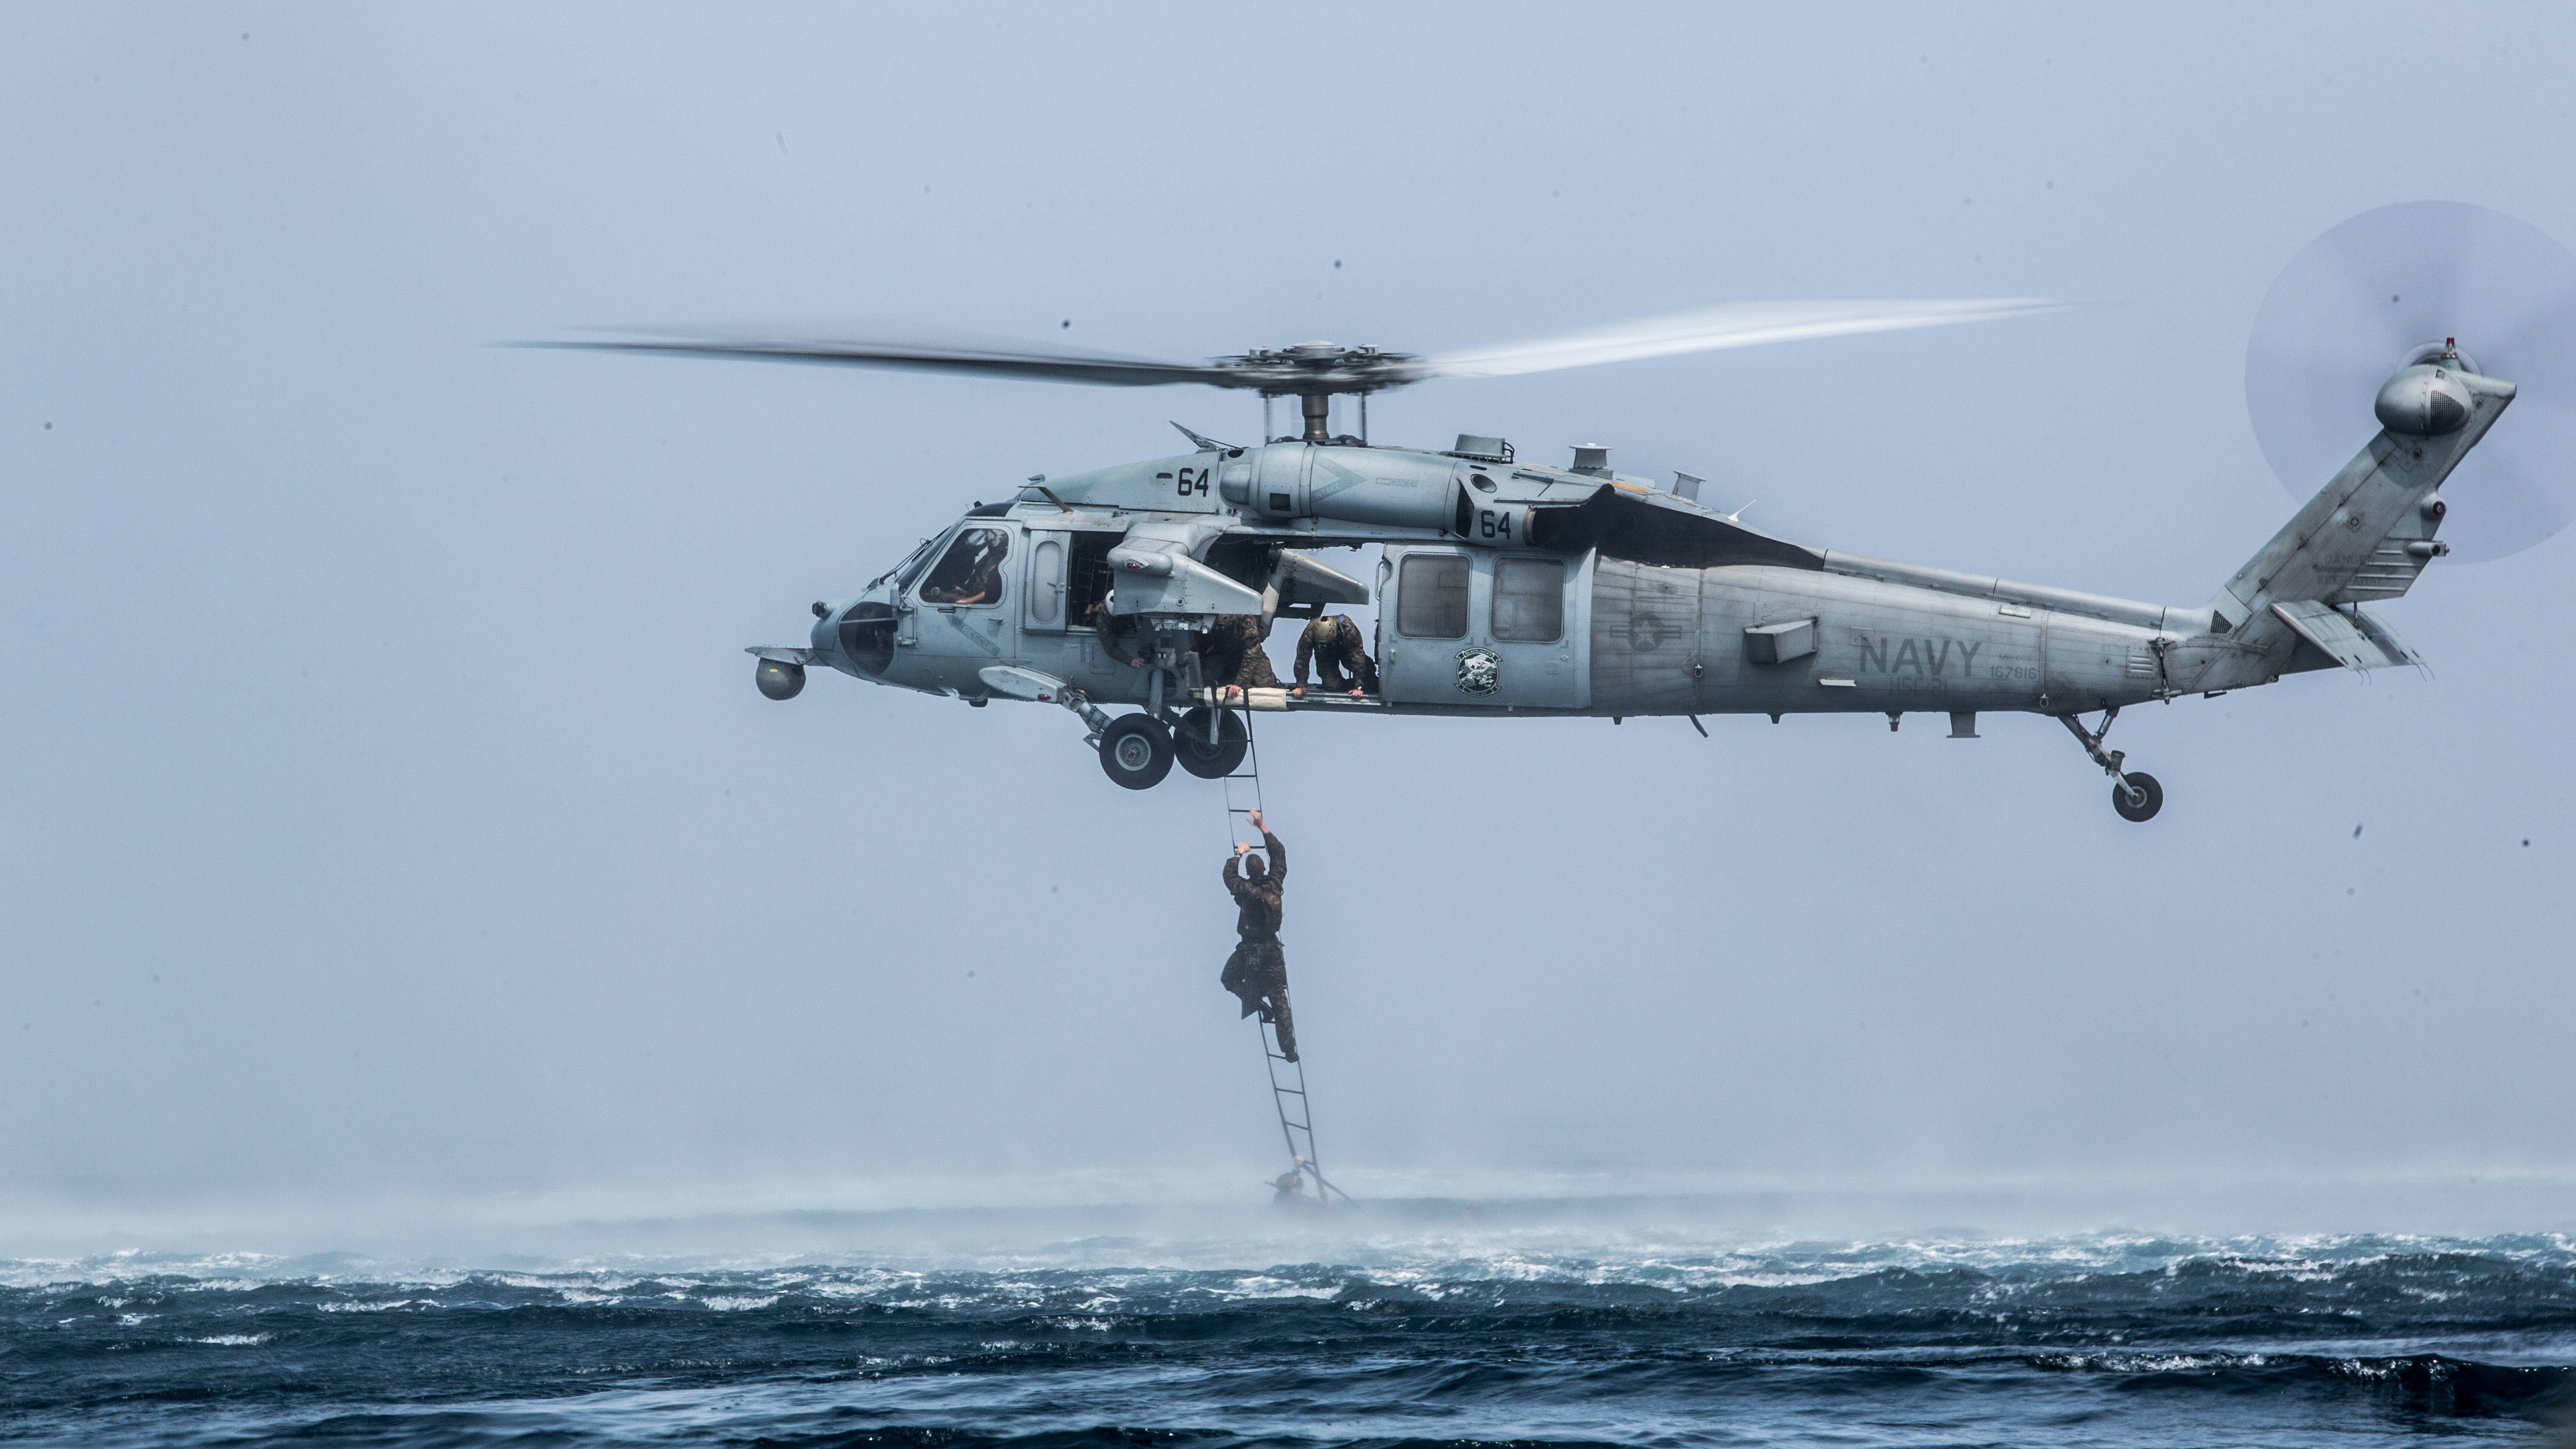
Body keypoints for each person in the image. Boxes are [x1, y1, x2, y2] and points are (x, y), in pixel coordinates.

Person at [1220, 807, 1296, 1061]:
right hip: (1272, 950)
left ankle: (1254, 1001)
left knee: (1229, 979)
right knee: (1279, 999)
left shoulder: (1244, 891)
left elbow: (1229, 876)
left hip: (1250, 950)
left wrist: (1239, 854)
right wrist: (1262, 826)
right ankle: (1290, 1049)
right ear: (1263, 868)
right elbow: (1280, 855)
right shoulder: (1275, 883)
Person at [1290, 614, 1378, 698]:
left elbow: (1358, 658)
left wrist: (1359, 688)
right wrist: (1301, 686)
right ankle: (1349, 684)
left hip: (1345, 651)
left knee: (1367, 669)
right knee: (1333, 686)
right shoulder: (1310, 632)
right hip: (1324, 654)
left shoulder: (1349, 629)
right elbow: (1302, 658)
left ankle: (1369, 683)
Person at [1199, 613, 1282, 692]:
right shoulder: (1206, 617)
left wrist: (1240, 684)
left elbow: (1252, 653)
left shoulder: (1246, 620)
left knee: (1265, 685)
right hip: (1223, 653)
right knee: (1202, 680)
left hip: (1246, 655)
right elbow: (1204, 645)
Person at [1083, 595, 1146, 670]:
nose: (1130, 613)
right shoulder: (1103, 621)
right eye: (1126, 612)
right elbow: (1111, 648)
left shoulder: (1122, 597)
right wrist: (1130, 661)